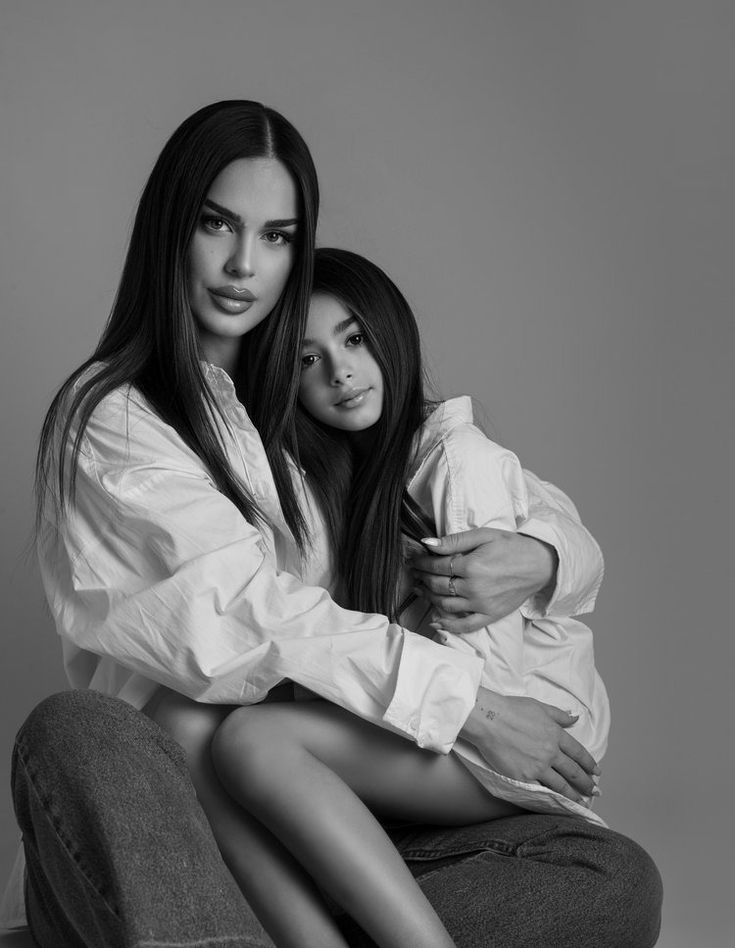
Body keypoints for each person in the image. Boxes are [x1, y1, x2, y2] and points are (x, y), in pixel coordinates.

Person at [3, 100, 662, 947]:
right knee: (100, 731)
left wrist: (541, 555)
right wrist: (465, 705)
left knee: (611, 879)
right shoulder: (117, 418)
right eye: (217, 225)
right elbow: (237, 616)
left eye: (277, 236)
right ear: (171, 227)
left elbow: (489, 477)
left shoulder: (309, 407)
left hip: (326, 824)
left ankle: (306, 930)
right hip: (180, 836)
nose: (244, 264)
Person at [161, 247, 609, 947]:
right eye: (306, 360)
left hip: (526, 737)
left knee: (255, 741)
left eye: (354, 339)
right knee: (183, 717)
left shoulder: (458, 462)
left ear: (389, 332)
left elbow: (483, 687)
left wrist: (547, 555)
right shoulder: (349, 479)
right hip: (456, 732)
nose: (339, 372)